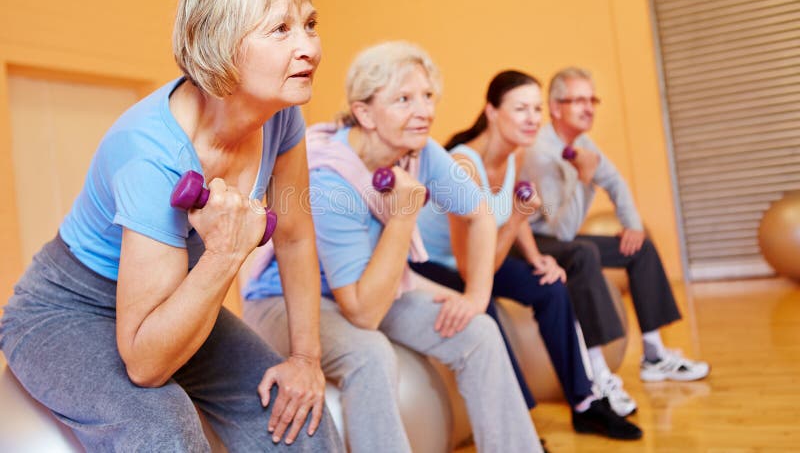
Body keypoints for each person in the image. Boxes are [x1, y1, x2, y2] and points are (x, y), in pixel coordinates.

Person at [0, 0, 343, 452]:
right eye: (281, 30)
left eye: (310, 24)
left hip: (169, 298)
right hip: (68, 309)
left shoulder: (280, 115)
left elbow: (293, 235)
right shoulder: (149, 153)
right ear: (221, 44)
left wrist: (306, 360)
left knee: (296, 415)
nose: (310, 47)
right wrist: (226, 253)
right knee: (161, 423)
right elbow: (145, 362)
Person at [242, 42, 542, 452]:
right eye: (404, 99)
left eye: (427, 96)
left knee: (480, 330)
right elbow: (363, 313)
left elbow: (481, 216)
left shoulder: (420, 150)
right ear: (365, 113)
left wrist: (476, 297)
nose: (424, 111)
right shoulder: (328, 179)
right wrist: (402, 216)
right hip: (287, 299)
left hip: (374, 286)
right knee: (370, 354)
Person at [410, 70, 642, 440]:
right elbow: (474, 273)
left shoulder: (513, 154)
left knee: (550, 287)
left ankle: (584, 403)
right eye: (521, 109)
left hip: (478, 258)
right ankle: (518, 426)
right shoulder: (464, 166)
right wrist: (520, 217)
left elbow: (504, 217)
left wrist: (536, 258)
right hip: (434, 265)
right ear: (491, 112)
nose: (533, 118)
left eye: (536, 108)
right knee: (484, 310)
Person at [518, 66, 710, 416]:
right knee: (582, 251)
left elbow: (616, 182)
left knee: (641, 248)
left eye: (592, 99)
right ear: (556, 107)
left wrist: (632, 225)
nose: (588, 107)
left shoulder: (583, 144)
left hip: (560, 234)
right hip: (533, 238)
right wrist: (584, 179)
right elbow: (558, 228)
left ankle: (653, 355)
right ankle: (598, 372)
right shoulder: (540, 155)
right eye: (578, 100)